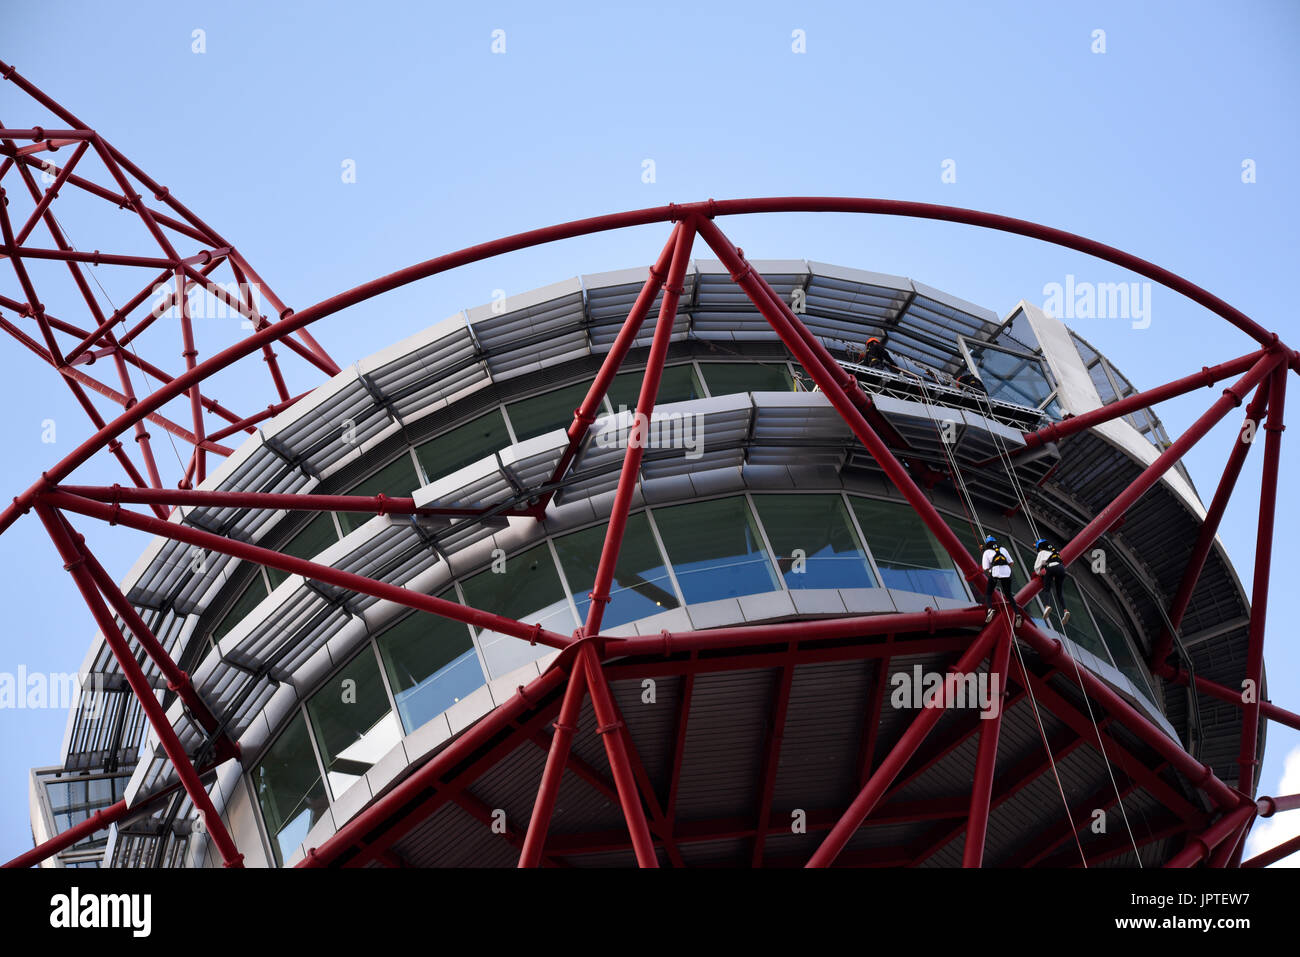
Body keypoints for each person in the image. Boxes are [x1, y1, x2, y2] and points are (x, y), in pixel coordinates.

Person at [981, 534, 1020, 625]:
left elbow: (985, 568)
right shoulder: (1003, 549)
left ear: (987, 544)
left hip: (995, 572)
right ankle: (1017, 613)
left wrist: (991, 569)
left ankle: (990, 609)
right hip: (1007, 572)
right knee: (1008, 595)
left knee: (988, 593)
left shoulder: (987, 552)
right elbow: (1011, 563)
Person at [1033, 538, 1071, 625]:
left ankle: (1047, 606)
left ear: (1040, 547)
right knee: (1059, 592)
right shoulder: (1055, 552)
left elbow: (1036, 567)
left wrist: (1039, 573)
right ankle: (1065, 611)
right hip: (1061, 569)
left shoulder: (1042, 552)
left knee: (1046, 589)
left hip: (1052, 568)